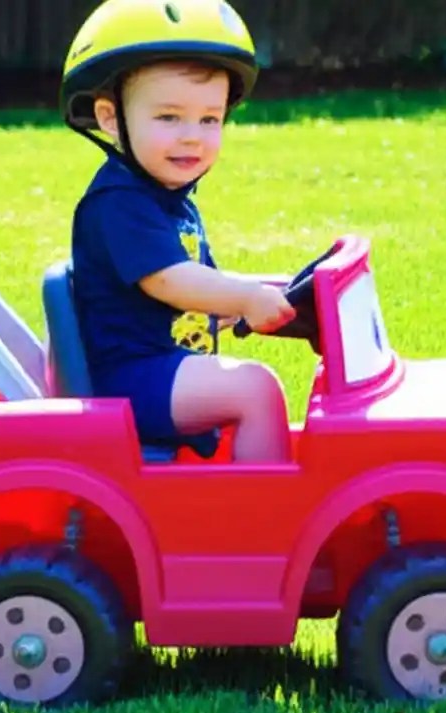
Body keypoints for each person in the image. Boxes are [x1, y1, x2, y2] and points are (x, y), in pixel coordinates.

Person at [59, 0, 294, 463]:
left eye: (210, 119)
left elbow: (203, 285)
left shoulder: (167, 199)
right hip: (132, 378)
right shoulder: (119, 203)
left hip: (160, 368)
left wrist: (276, 291)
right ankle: (261, 522)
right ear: (111, 119)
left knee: (251, 384)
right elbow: (171, 281)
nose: (192, 135)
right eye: (169, 117)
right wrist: (246, 297)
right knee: (256, 390)